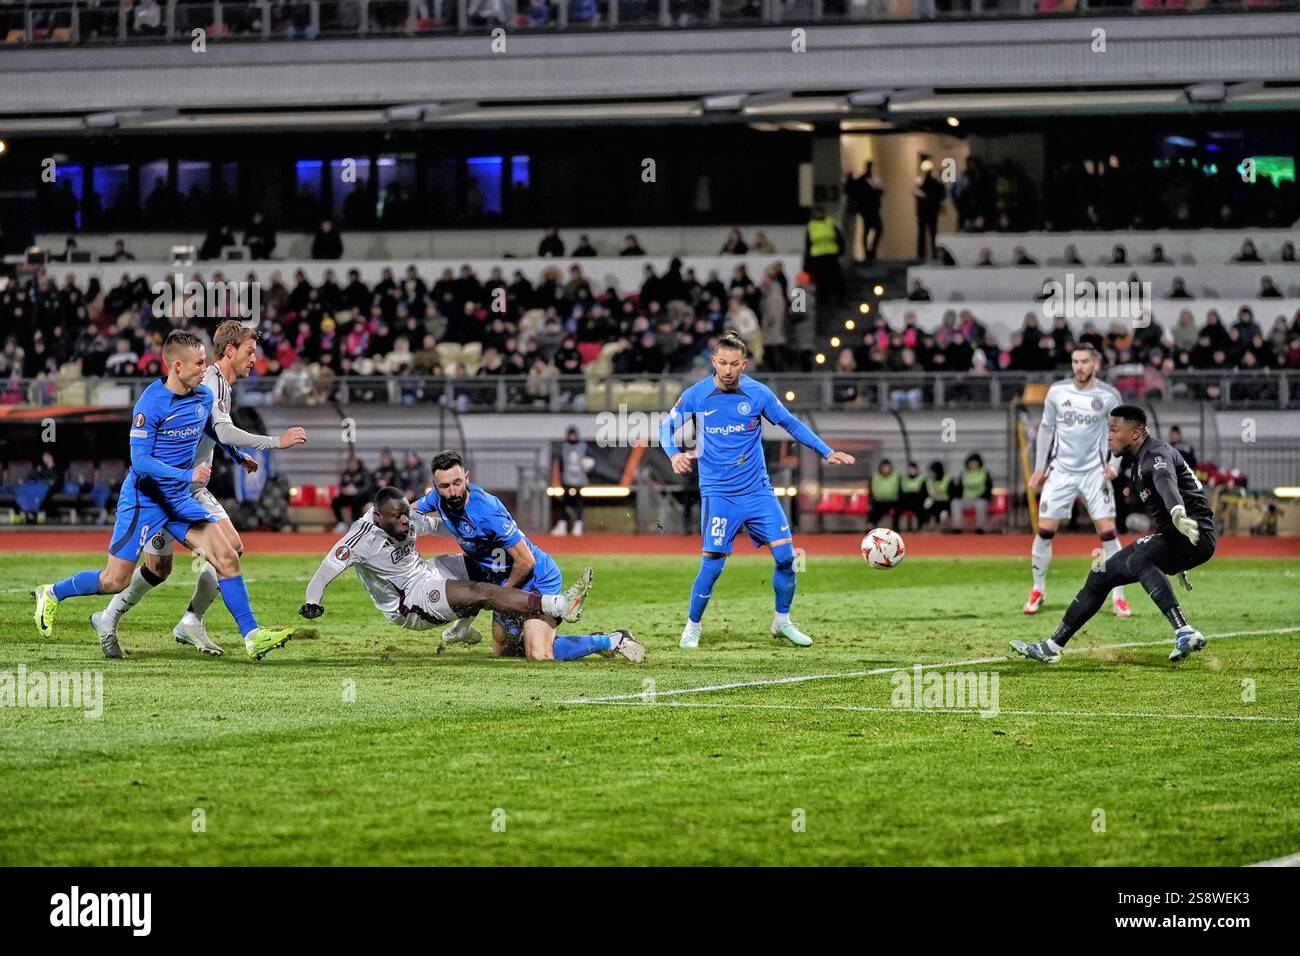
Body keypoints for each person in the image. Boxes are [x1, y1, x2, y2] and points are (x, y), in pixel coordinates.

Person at [31, 330, 296, 662]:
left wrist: (236, 455)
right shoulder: (150, 402)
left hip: (180, 500)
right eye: (200, 364)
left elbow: (212, 429)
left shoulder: (202, 396)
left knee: (227, 556)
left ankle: (252, 636)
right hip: (145, 500)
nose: (206, 369)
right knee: (114, 579)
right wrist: (188, 475)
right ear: (177, 366)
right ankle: (52, 592)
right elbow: (140, 461)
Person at [658, 330, 856, 649]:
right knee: (713, 564)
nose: (727, 369)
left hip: (757, 492)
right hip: (719, 495)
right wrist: (674, 454)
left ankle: (782, 621)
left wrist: (825, 450)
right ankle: (692, 626)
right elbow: (665, 427)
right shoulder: (695, 395)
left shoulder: (758, 394)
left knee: (786, 558)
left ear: (744, 364)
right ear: (713, 362)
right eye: (722, 363)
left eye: (734, 364)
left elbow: (791, 423)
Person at [300, 488, 622, 657]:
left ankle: (459, 629)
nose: (405, 521)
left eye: (406, 514)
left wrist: (475, 533)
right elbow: (327, 568)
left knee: (479, 570)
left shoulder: (408, 517)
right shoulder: (361, 537)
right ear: (379, 517)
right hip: (409, 603)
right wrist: (313, 600)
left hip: (426, 573)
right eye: (397, 518)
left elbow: (440, 526)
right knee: (481, 592)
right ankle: (557, 605)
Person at [1012, 405, 1215, 664]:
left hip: (1193, 530)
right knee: (1101, 574)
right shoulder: (1141, 459)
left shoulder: (1155, 454)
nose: (1108, 436)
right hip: (1178, 534)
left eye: (1114, 430)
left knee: (1138, 558)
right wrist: (1176, 558)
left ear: (1135, 433)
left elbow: (1166, 483)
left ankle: (1184, 630)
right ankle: (1051, 647)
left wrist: (1178, 514)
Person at [414, 451, 644, 662]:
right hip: (504, 581)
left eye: (457, 482)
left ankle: (612, 640)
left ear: (466, 477)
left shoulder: (486, 511)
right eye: (445, 486)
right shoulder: (436, 498)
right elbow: (405, 511)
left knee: (539, 655)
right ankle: (547, 637)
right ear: (434, 485)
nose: (453, 491)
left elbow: (526, 561)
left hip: (535, 578)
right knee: (506, 651)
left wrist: (499, 596)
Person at [1024, 344, 1130, 617]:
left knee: (1108, 532)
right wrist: (1040, 467)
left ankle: (1119, 596)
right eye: (1075, 361)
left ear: (1095, 364)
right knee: (1045, 531)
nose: (1079, 366)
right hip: (1061, 472)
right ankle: (1038, 589)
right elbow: (1046, 429)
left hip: (1095, 472)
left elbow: (1120, 432)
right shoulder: (1057, 392)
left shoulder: (1108, 395)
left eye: (1084, 361)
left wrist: (1115, 464)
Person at [803, 206, 845, 325]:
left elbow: (839, 239)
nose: (818, 214)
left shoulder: (830, 223)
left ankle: (839, 300)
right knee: (821, 282)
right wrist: (807, 264)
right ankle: (824, 302)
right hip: (818, 258)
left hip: (831, 257)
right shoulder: (811, 226)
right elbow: (808, 245)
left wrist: (840, 252)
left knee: (837, 280)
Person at [552, 426, 590, 536]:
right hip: (567, 480)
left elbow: (589, 461)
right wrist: (561, 479)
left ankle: (578, 525)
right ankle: (562, 525)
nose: (572, 437)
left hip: (580, 480)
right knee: (564, 503)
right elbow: (561, 465)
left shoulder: (583, 447)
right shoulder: (564, 447)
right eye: (570, 435)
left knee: (579, 503)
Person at [913, 159, 946, 262]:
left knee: (926, 232)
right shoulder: (932, 182)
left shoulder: (924, 182)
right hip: (930, 211)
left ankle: (923, 254)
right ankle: (930, 253)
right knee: (931, 232)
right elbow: (942, 194)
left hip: (926, 211)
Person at [950, 453, 992, 533]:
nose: (973, 464)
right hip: (966, 499)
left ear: (979, 463)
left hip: (980, 498)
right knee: (955, 503)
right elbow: (959, 487)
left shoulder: (985, 473)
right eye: (971, 463)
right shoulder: (964, 473)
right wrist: (958, 496)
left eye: (975, 463)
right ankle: (957, 527)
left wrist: (982, 496)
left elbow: (989, 487)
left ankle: (980, 528)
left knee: (980, 504)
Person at [332, 456, 371, 530]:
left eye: (353, 464)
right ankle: (341, 522)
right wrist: (345, 490)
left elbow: (367, 487)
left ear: (357, 464)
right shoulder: (345, 473)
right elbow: (341, 486)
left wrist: (356, 490)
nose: (351, 466)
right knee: (335, 501)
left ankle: (355, 522)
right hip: (347, 495)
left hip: (361, 496)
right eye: (349, 464)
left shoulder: (364, 473)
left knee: (356, 500)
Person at [867, 459, 901, 529]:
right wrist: (869, 502)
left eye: (887, 467)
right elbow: (870, 491)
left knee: (898, 508)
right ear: (880, 468)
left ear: (890, 467)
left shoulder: (896, 476)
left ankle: (895, 529)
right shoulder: (875, 476)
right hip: (878, 501)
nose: (885, 469)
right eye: (884, 467)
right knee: (873, 509)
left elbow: (900, 490)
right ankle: (871, 527)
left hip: (892, 501)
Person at [898, 461, 927, 532]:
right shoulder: (903, 479)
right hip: (906, 500)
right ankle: (898, 526)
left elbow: (924, 492)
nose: (911, 471)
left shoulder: (922, 478)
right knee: (898, 505)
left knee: (920, 506)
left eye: (913, 469)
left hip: (917, 500)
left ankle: (919, 526)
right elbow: (900, 491)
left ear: (917, 470)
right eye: (909, 469)